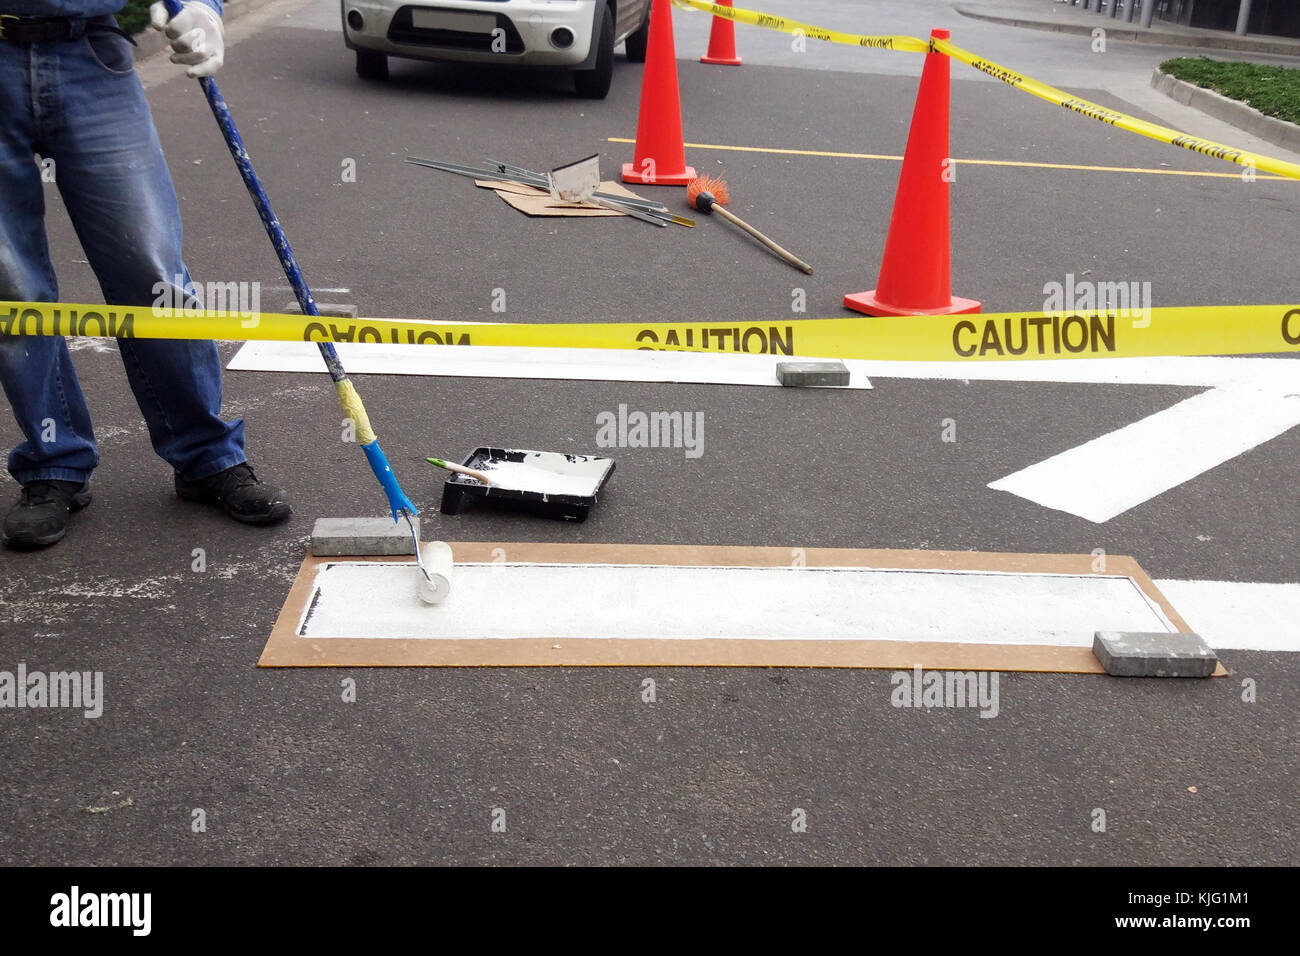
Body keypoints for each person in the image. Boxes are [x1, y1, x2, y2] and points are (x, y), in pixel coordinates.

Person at [0, 0, 291, 549]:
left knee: (153, 273)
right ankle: (52, 461)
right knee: (12, 289)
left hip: (92, 51)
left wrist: (203, 5)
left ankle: (207, 455)